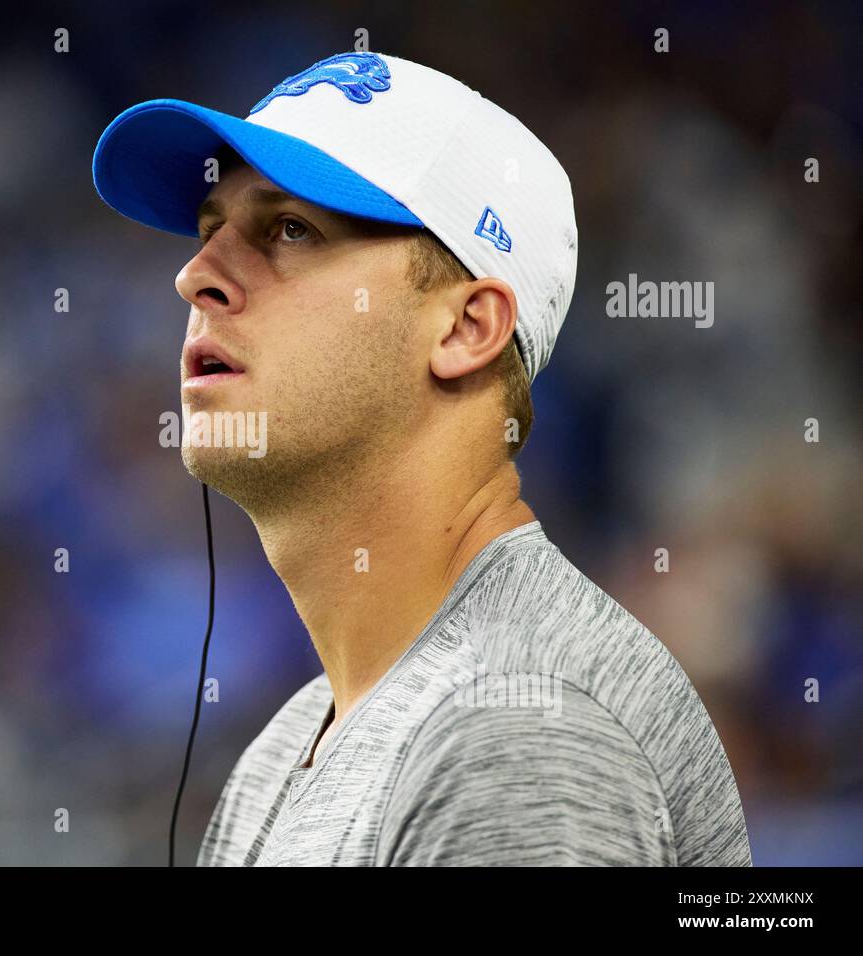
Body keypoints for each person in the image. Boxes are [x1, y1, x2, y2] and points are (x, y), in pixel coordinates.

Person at [92, 51, 752, 865]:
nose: (197, 276)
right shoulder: (287, 750)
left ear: (466, 328)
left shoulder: (514, 735)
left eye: (291, 229)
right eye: (208, 232)